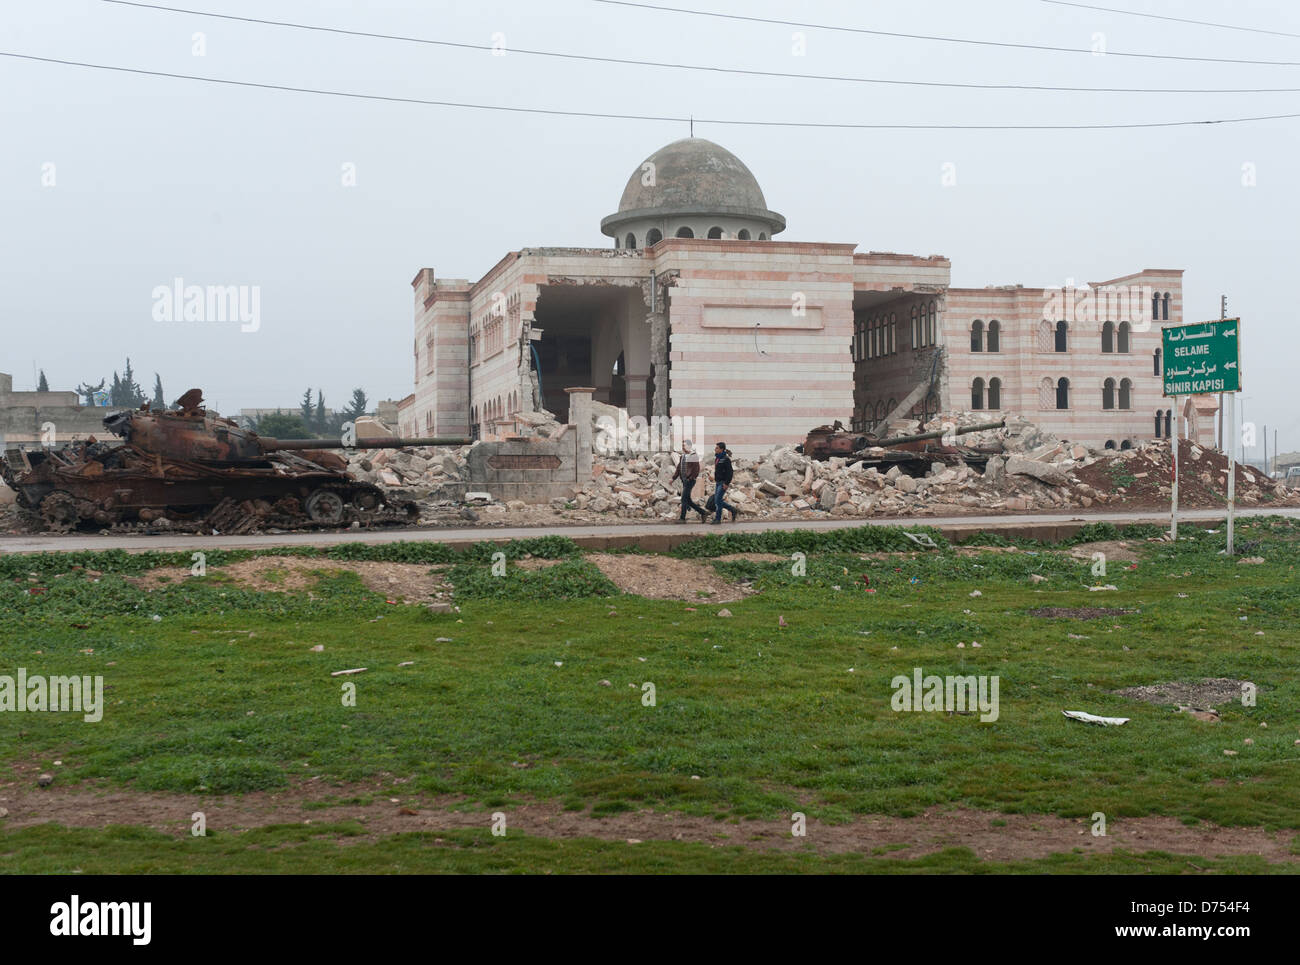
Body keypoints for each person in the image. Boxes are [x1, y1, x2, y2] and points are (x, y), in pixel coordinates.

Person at [670, 439, 708, 522]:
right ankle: (703, 513)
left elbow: (696, 469)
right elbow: (678, 468)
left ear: (689, 446)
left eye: (684, 445)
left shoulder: (693, 456)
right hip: (684, 481)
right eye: (682, 446)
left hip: (690, 481)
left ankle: (682, 518)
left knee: (683, 499)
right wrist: (673, 478)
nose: (683, 447)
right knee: (688, 500)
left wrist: (690, 478)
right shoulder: (682, 456)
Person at [711, 441, 737, 524]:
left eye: (717, 448)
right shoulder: (717, 458)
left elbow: (730, 472)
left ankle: (718, 519)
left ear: (721, 449)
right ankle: (733, 510)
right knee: (717, 500)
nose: (715, 449)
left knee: (718, 501)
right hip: (718, 482)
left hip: (723, 482)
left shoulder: (726, 459)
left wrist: (726, 483)